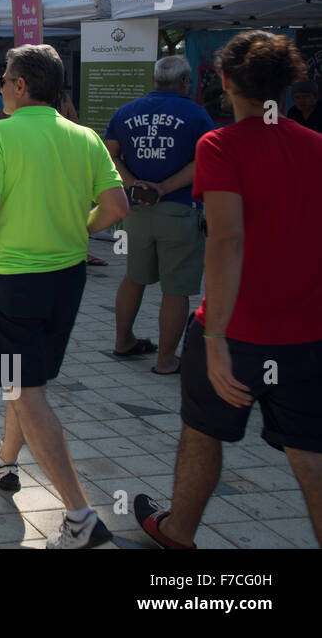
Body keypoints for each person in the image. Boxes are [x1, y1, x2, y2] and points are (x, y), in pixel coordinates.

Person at [135, 31, 322, 549]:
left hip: (236, 331)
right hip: (308, 332)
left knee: (203, 434)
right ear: (287, 85)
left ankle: (178, 532)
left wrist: (215, 336)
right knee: (309, 451)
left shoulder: (220, 145)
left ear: (224, 80)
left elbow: (226, 239)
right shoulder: (316, 147)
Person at [0, 45, 128, 548]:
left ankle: (80, 515)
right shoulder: (84, 137)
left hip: (11, 279)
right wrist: (79, 228)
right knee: (28, 380)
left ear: (20, 86)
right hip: (67, 276)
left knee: (25, 388)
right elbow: (117, 206)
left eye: (4, 80)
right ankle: (5, 462)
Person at [104, 56, 214, 375]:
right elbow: (202, 162)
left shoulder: (125, 112)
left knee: (134, 277)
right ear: (185, 82)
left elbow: (108, 155)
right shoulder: (196, 114)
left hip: (137, 212)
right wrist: (162, 188)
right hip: (179, 212)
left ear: (153, 80)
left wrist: (134, 185)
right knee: (176, 288)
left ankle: (122, 341)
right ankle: (166, 359)